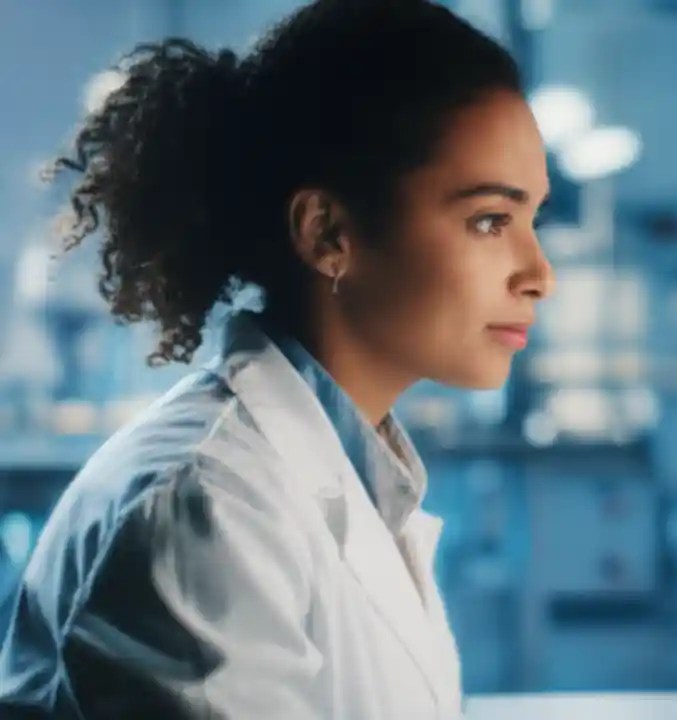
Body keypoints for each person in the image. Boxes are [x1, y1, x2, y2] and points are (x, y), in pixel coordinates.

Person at [0, 0, 553, 717]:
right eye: (490, 221)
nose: (539, 272)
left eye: (532, 219)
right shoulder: (207, 509)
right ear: (327, 234)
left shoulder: (349, 475)